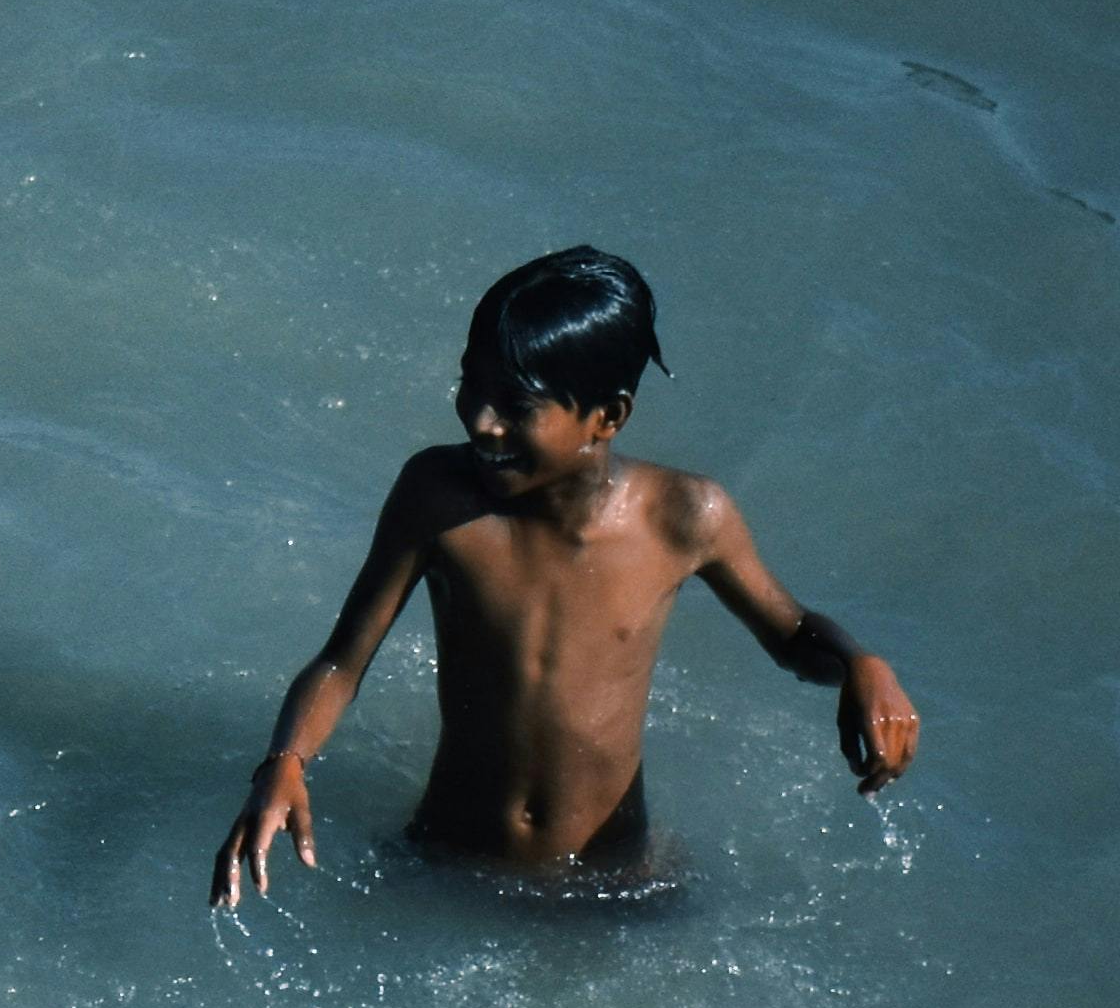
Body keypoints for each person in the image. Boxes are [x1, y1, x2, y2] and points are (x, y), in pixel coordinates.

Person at [209, 246, 920, 902]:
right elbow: (342, 661)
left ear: (607, 417)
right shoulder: (437, 498)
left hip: (611, 883)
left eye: (516, 406)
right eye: (470, 386)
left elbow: (792, 635)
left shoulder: (684, 517)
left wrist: (860, 663)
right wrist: (287, 759)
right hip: (446, 860)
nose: (480, 421)